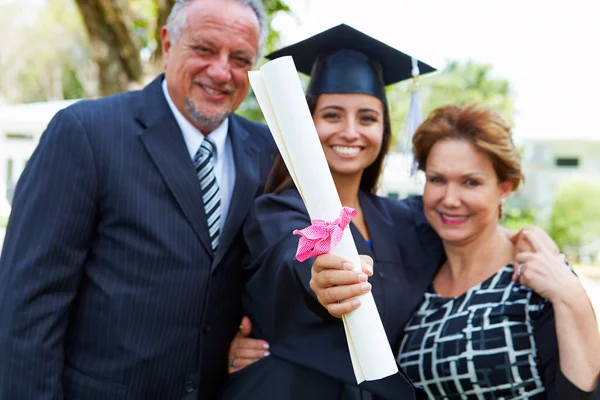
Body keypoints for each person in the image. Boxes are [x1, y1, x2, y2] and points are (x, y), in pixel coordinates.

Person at [0, 0, 277, 398]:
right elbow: (28, 310)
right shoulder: (86, 134)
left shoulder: (266, 152)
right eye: (203, 49)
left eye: (240, 58)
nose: (221, 71)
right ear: (167, 43)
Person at [220, 24, 454, 400]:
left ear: (384, 129)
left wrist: (520, 240)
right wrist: (321, 279)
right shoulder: (277, 212)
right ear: (307, 123)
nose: (349, 131)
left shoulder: (406, 220)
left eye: (367, 118)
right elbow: (291, 258)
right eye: (332, 115)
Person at [310, 104, 600, 399]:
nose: (450, 199)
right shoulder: (418, 274)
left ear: (504, 188)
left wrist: (570, 293)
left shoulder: (536, 274)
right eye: (437, 180)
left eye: (470, 182)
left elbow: (581, 390)